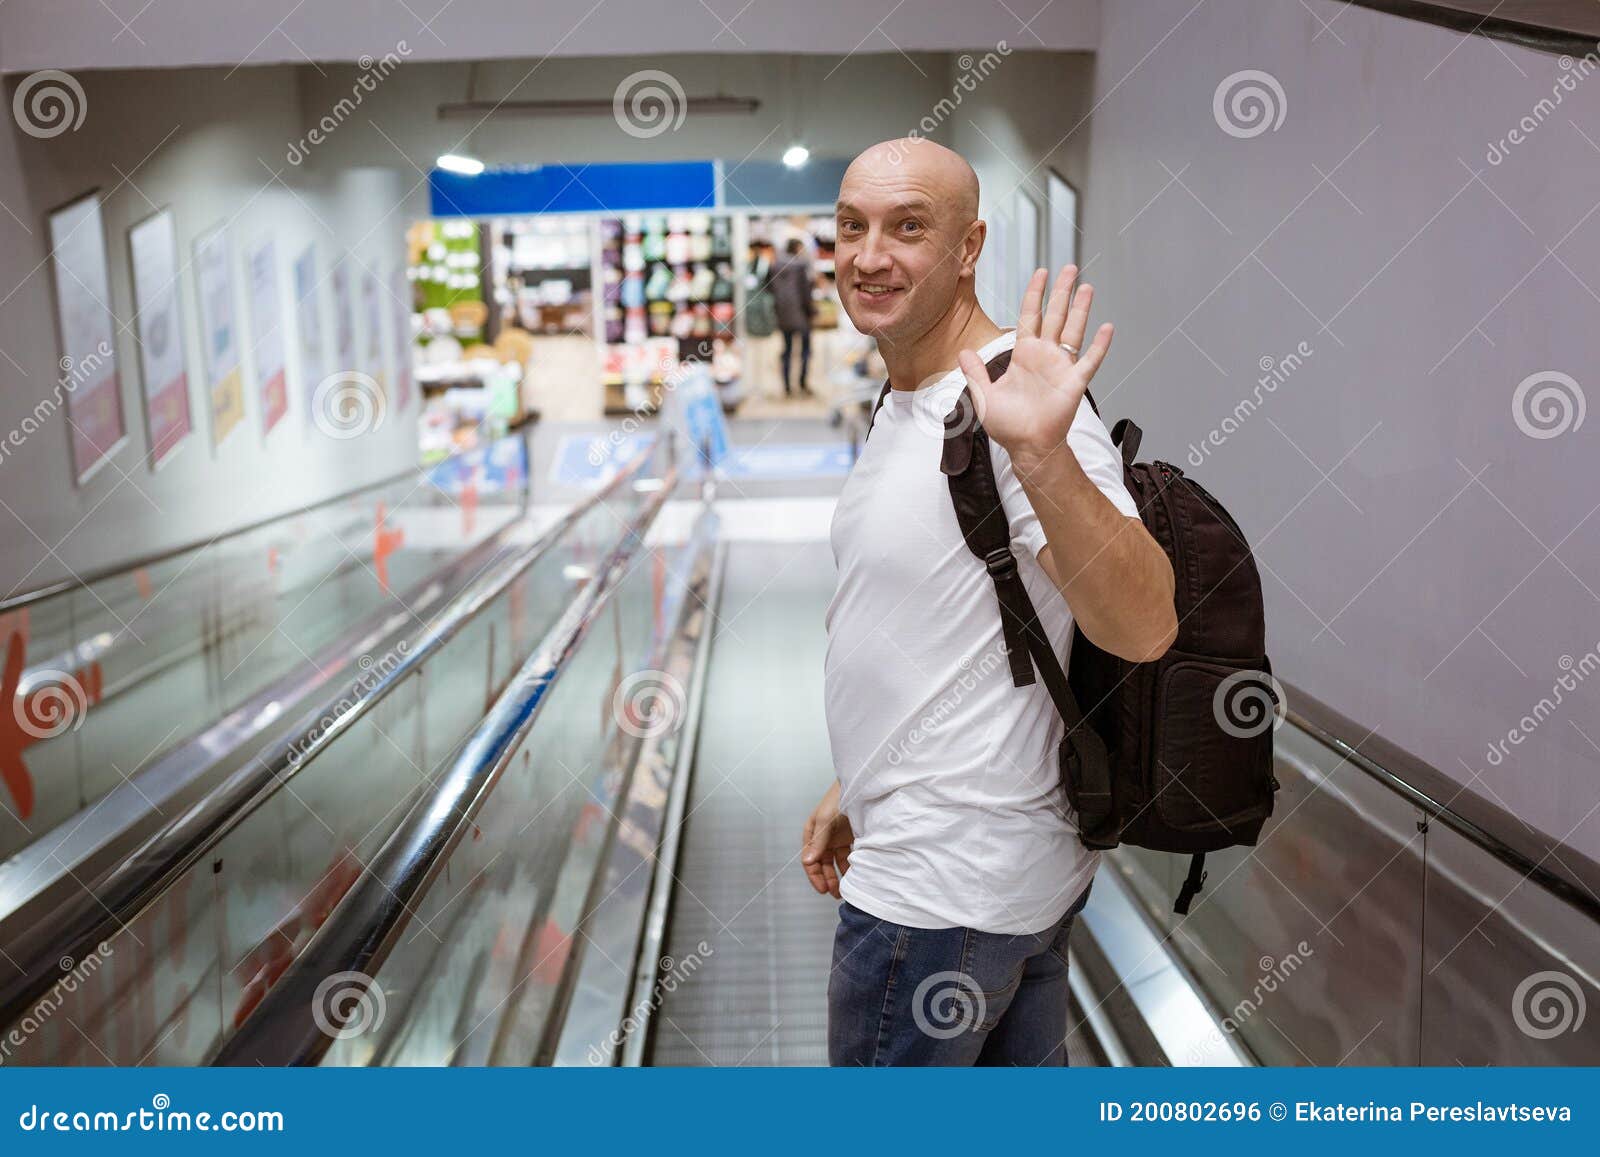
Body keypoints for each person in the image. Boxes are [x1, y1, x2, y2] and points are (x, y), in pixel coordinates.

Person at [802, 139, 1178, 1066]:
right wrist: (865, 776)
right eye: (853, 227)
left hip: (938, 898)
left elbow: (1143, 623)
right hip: (983, 874)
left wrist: (1046, 453)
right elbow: (948, 621)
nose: (869, 255)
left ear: (968, 247)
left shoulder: (1017, 399)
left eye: (909, 228)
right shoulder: (908, 399)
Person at [769, 237, 814, 396]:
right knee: (805, 351)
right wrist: (811, 311)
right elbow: (805, 293)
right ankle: (802, 383)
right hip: (801, 314)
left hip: (783, 315)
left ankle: (787, 387)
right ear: (796, 248)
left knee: (786, 350)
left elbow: (770, 289)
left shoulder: (775, 266)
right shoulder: (801, 266)